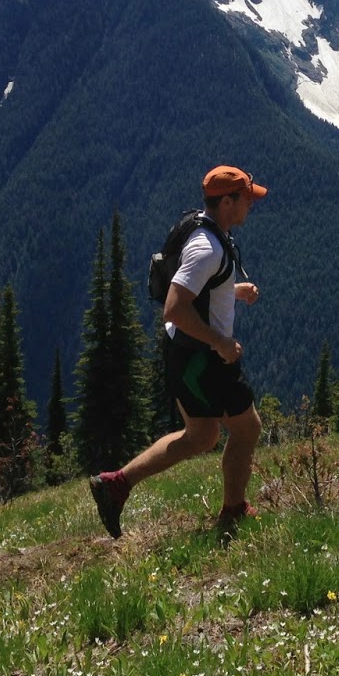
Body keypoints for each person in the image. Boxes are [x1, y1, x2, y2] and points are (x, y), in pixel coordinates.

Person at [88, 164, 267, 539]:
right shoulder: (207, 247)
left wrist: (233, 291)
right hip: (204, 358)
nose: (251, 205)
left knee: (201, 435)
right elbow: (175, 306)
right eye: (246, 198)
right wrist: (219, 342)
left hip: (187, 353)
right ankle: (234, 510)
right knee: (246, 429)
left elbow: (198, 291)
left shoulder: (204, 229)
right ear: (227, 201)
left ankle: (116, 484)